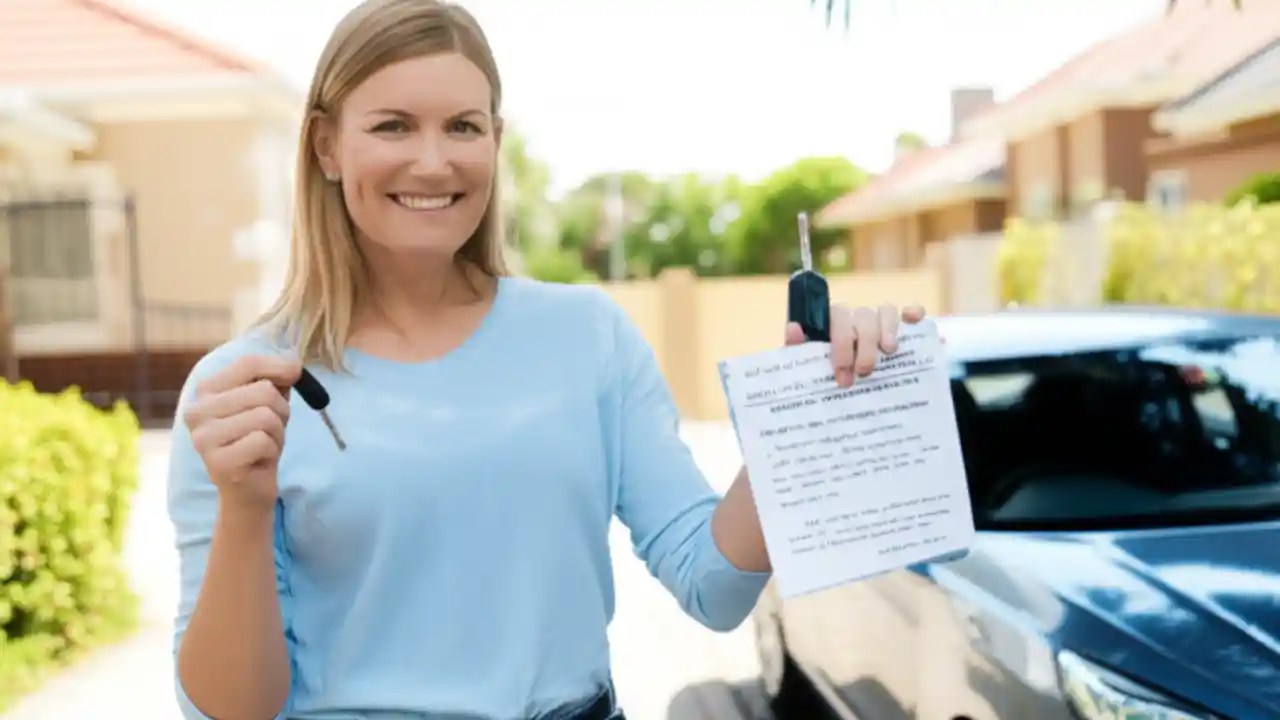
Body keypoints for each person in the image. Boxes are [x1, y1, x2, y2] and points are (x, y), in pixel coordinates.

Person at [165, 1, 928, 718]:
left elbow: (715, 589)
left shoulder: (589, 337)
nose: (433, 162)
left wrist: (810, 411)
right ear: (327, 145)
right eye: (394, 126)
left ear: (495, 140)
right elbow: (228, 708)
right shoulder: (244, 389)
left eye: (462, 127)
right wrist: (243, 505)